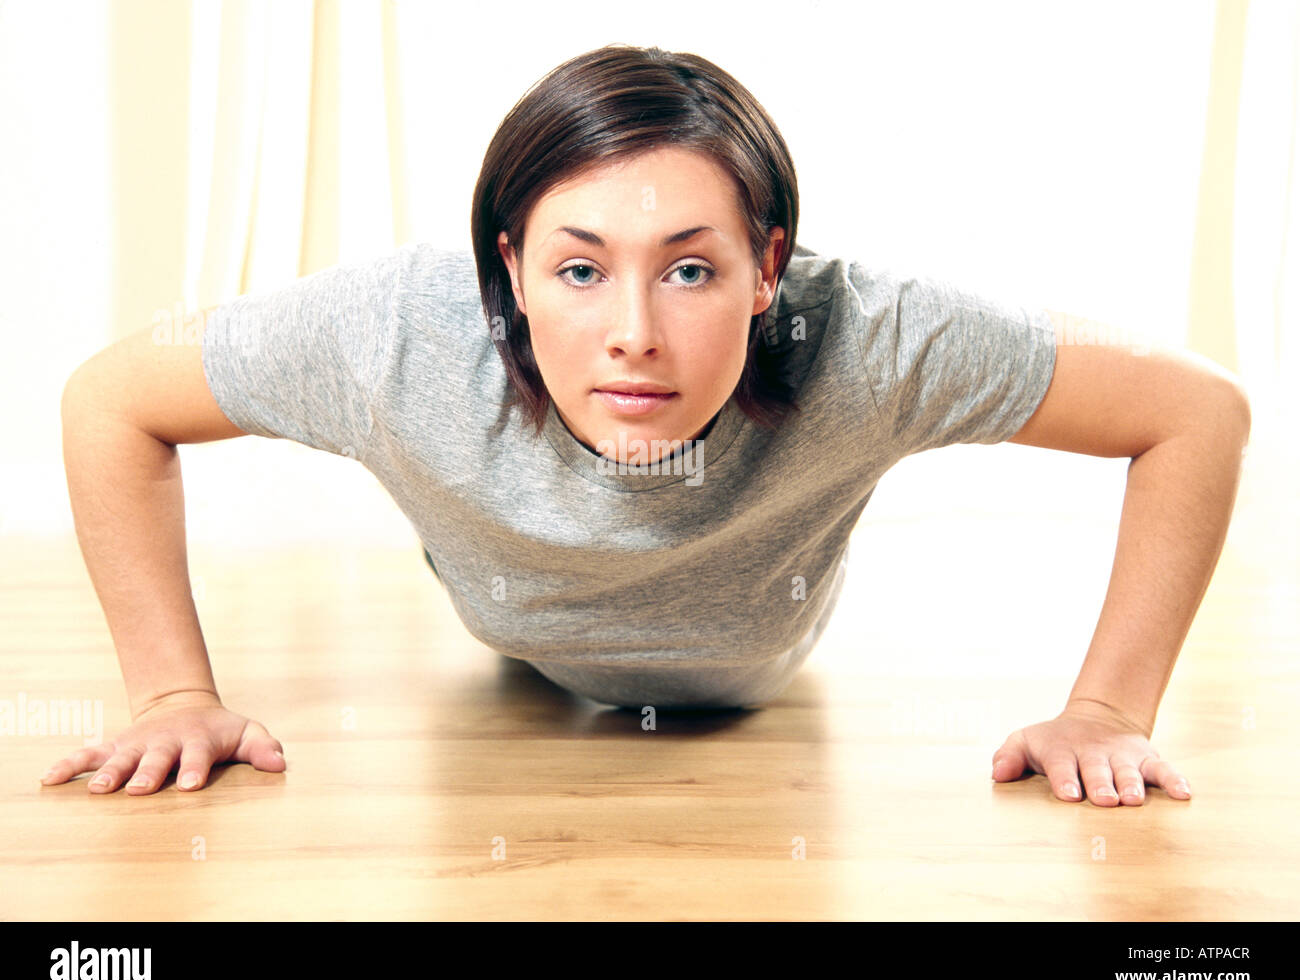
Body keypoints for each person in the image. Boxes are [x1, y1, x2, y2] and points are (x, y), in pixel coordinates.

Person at [49, 44, 1250, 806]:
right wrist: (169, 698)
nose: (633, 332)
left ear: (768, 265)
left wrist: (1103, 714)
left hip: (756, 665)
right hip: (517, 641)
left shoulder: (877, 335)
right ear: (510, 269)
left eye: (688, 271)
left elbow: (1195, 409)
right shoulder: (394, 330)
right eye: (579, 271)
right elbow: (112, 397)